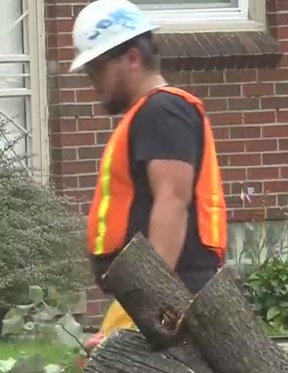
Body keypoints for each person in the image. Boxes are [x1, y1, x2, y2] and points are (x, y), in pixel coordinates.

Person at [69, 0, 228, 349]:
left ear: (132, 58)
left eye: (96, 68)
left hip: (173, 292)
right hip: (157, 292)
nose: (92, 81)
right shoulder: (151, 113)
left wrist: (154, 307)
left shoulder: (163, 110)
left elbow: (172, 202)